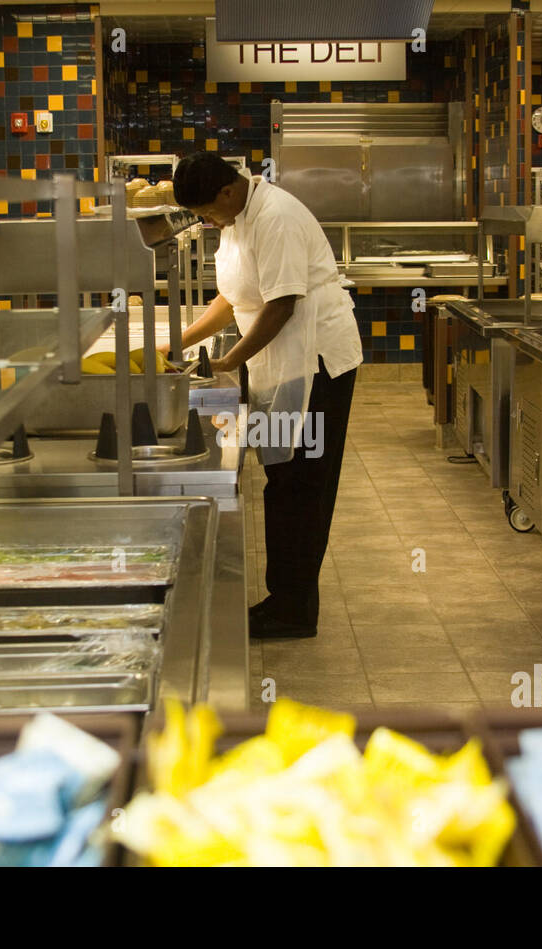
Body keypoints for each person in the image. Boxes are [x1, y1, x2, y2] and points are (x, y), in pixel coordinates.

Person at [171, 152, 363, 639]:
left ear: (228, 191)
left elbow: (281, 303)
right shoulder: (236, 218)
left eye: (206, 213)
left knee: (302, 484)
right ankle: (284, 599)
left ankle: (293, 609)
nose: (206, 222)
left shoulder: (275, 216)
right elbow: (232, 296)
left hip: (314, 363)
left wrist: (228, 360)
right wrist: (178, 343)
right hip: (278, 363)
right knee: (283, 478)